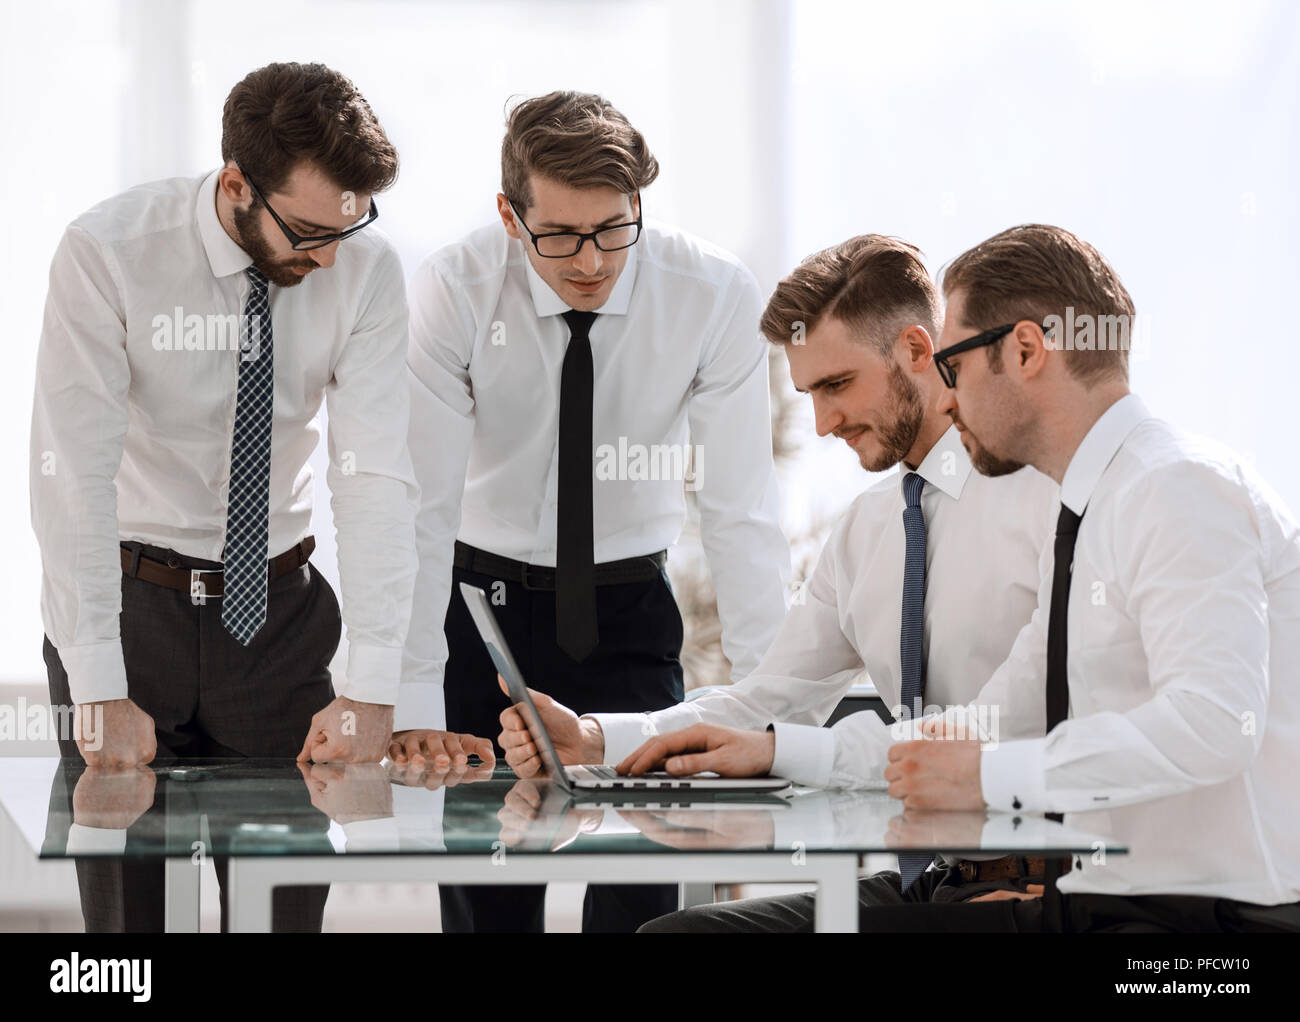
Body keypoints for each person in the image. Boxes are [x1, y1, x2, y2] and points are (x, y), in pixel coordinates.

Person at [30, 61, 491, 933]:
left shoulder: (364, 273)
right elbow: (72, 473)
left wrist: (369, 683)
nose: (327, 256)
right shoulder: (108, 252)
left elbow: (375, 480)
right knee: (126, 933)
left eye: (348, 229)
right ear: (237, 183)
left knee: (281, 917)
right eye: (308, 230)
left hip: (278, 621)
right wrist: (97, 678)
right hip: (133, 610)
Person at [501, 234, 1063, 932]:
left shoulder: (1043, 496)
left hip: (1049, 882)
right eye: (809, 395)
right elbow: (770, 700)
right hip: (937, 877)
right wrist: (596, 740)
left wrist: (782, 750)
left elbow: (1019, 722)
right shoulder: (865, 533)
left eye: (836, 385)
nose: (824, 423)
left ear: (918, 352)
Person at [392, 91, 792, 933]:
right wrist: (416, 702)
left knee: (642, 896)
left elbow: (740, 511)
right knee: (489, 900)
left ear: (639, 203)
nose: (590, 262)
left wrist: (771, 711)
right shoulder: (455, 291)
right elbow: (421, 510)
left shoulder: (711, 294)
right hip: (481, 615)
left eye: (614, 229)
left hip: (629, 615)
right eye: (561, 236)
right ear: (510, 214)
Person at [878, 223, 1300, 932]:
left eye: (950, 367)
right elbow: (997, 717)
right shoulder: (1088, 511)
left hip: (1207, 931)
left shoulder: (1176, 488)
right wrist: (785, 751)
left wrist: (989, 781)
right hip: (1107, 903)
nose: (944, 403)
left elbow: (1217, 722)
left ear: (1024, 349)